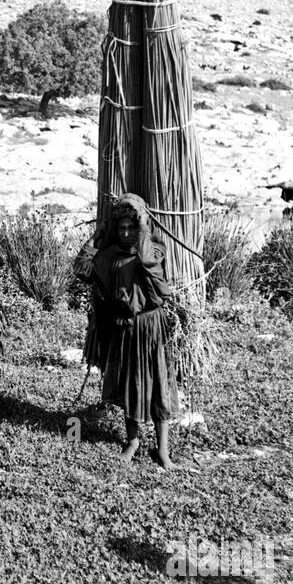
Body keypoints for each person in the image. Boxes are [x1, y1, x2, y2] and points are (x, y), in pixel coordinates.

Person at [86, 192, 180, 469]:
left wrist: (142, 228)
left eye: (132, 227)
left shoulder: (154, 251)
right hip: (126, 329)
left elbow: (157, 279)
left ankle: (162, 448)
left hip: (151, 328)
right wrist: (102, 231)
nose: (126, 233)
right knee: (131, 384)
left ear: (142, 226)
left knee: (159, 384)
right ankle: (133, 441)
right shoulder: (110, 257)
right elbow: (83, 266)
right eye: (121, 227)